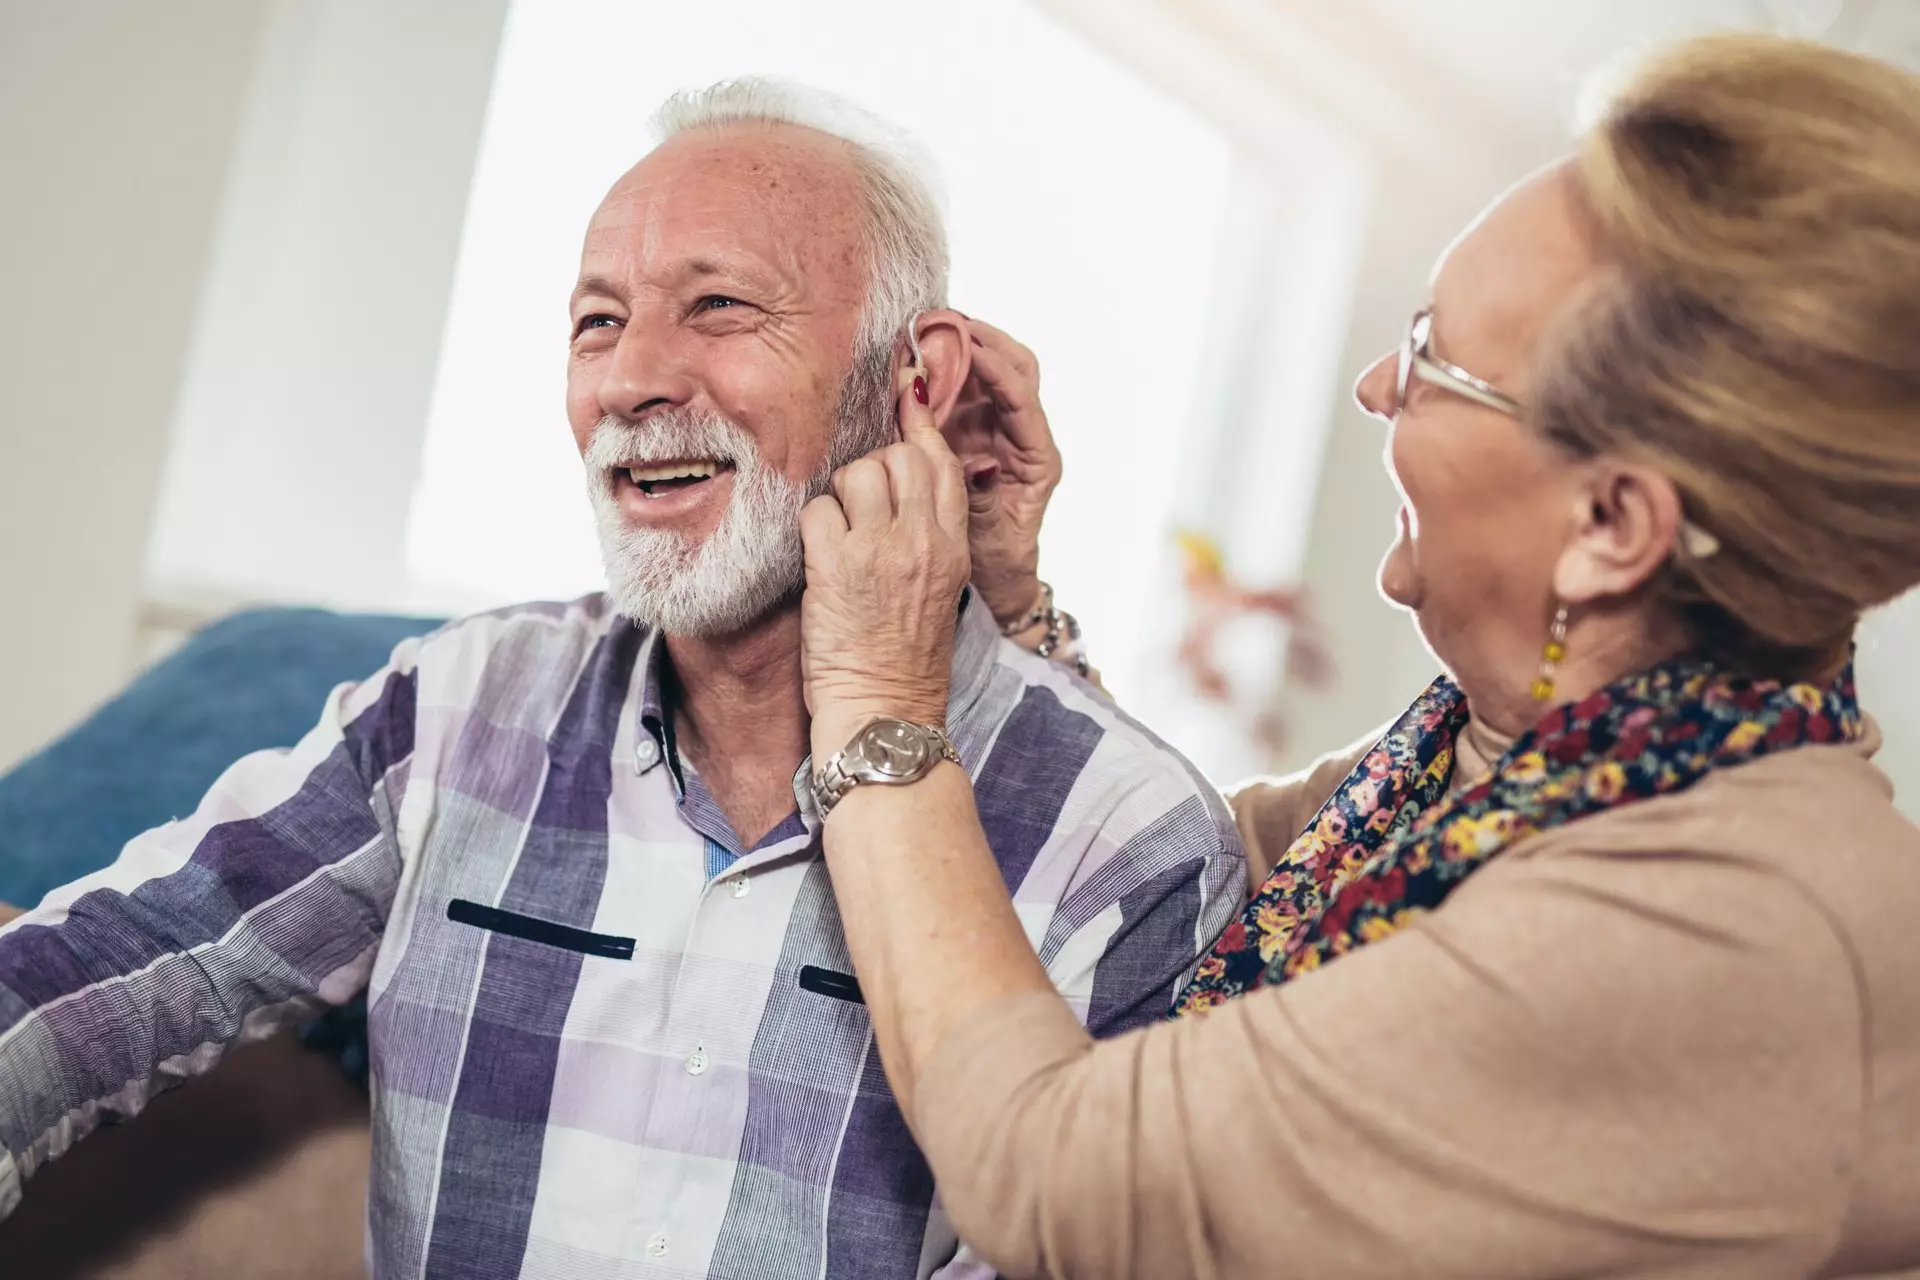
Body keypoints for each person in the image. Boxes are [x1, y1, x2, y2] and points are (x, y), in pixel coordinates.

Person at [0, 79, 1244, 1279]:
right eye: (598, 321)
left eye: (719, 307)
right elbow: (104, 967)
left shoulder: (1131, 843)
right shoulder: (455, 708)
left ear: (916, 381)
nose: (632, 381)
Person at [796, 33, 1920, 1280]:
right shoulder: (1517, 771)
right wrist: (1015, 616)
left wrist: (875, 705)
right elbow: (1184, 885)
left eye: (1437, 360)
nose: (1379, 384)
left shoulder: (1715, 928)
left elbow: (1066, 1176)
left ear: (1610, 527)